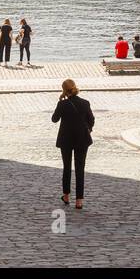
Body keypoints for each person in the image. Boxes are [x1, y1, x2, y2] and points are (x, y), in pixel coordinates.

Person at [51, 79, 94, 210]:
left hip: (66, 140)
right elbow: (91, 120)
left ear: (64, 90)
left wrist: (60, 102)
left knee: (67, 168)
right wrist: (88, 129)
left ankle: (66, 195)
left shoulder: (62, 104)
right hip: (82, 139)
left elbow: (54, 119)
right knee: (80, 169)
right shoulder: (85, 103)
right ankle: (79, 201)